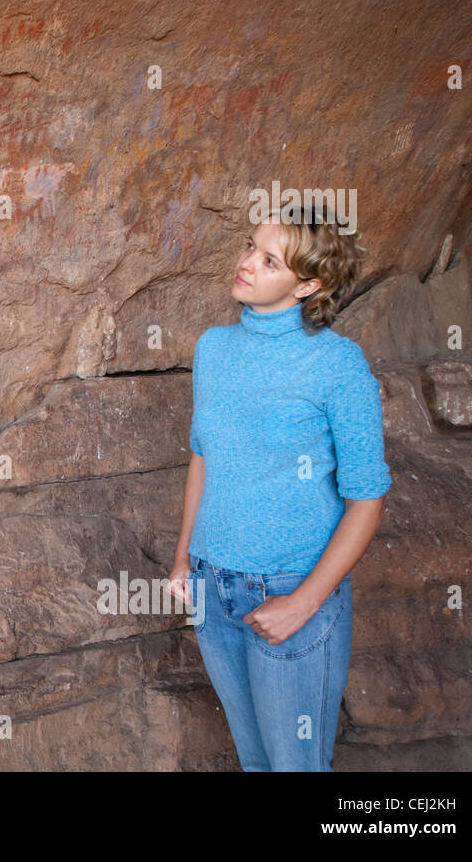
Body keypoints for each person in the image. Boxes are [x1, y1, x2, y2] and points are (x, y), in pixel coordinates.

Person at [167, 202, 391, 771]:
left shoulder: (338, 366)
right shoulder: (213, 349)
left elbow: (366, 502)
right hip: (213, 588)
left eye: (270, 260)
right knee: (256, 763)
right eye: (250, 246)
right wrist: (183, 561)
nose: (247, 263)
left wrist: (301, 605)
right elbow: (203, 457)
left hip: (291, 588)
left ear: (307, 284)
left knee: (296, 766)